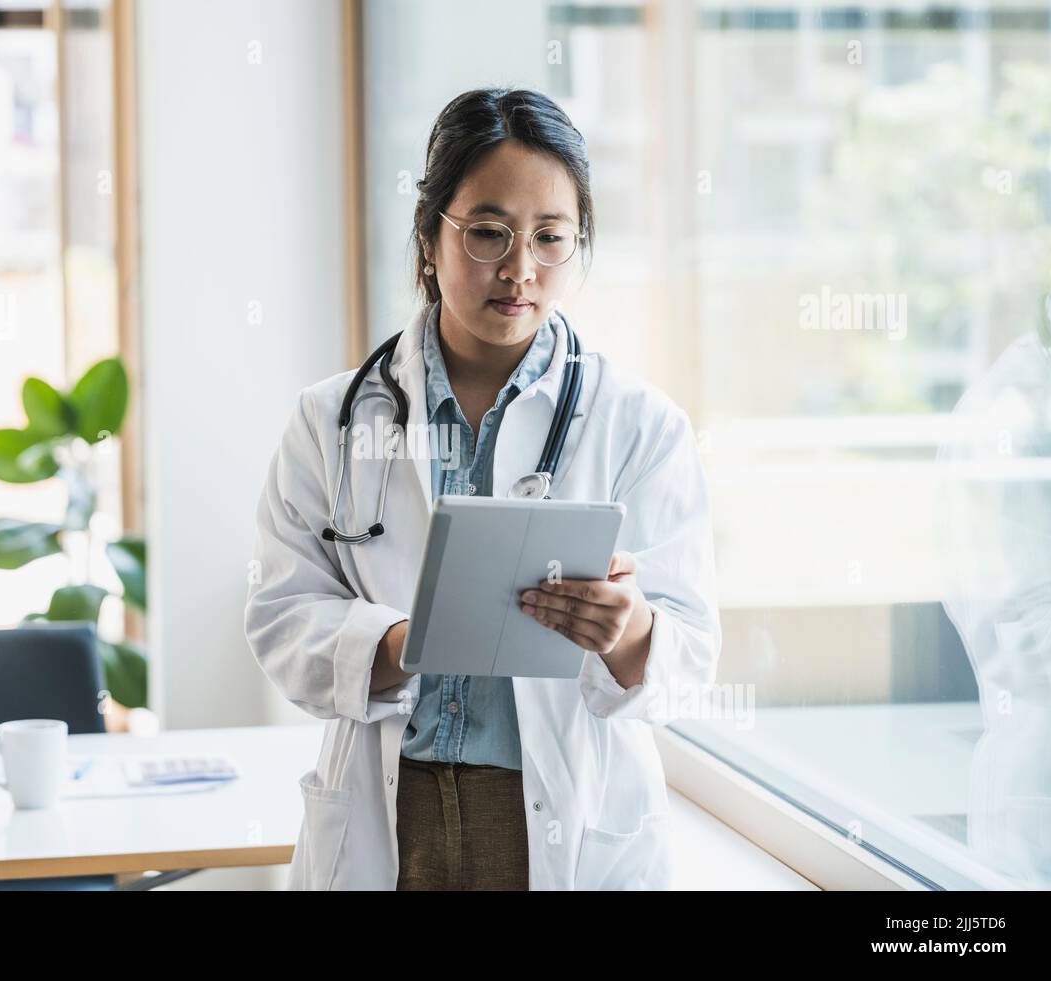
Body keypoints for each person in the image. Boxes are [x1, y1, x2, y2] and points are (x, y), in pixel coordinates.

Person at [244, 87, 720, 890]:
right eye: (489, 233)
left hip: (561, 822)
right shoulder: (328, 419)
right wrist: (399, 645)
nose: (520, 269)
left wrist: (629, 629)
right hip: (394, 818)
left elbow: (692, 651)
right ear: (430, 238)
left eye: (550, 238)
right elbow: (279, 613)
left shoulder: (640, 425)